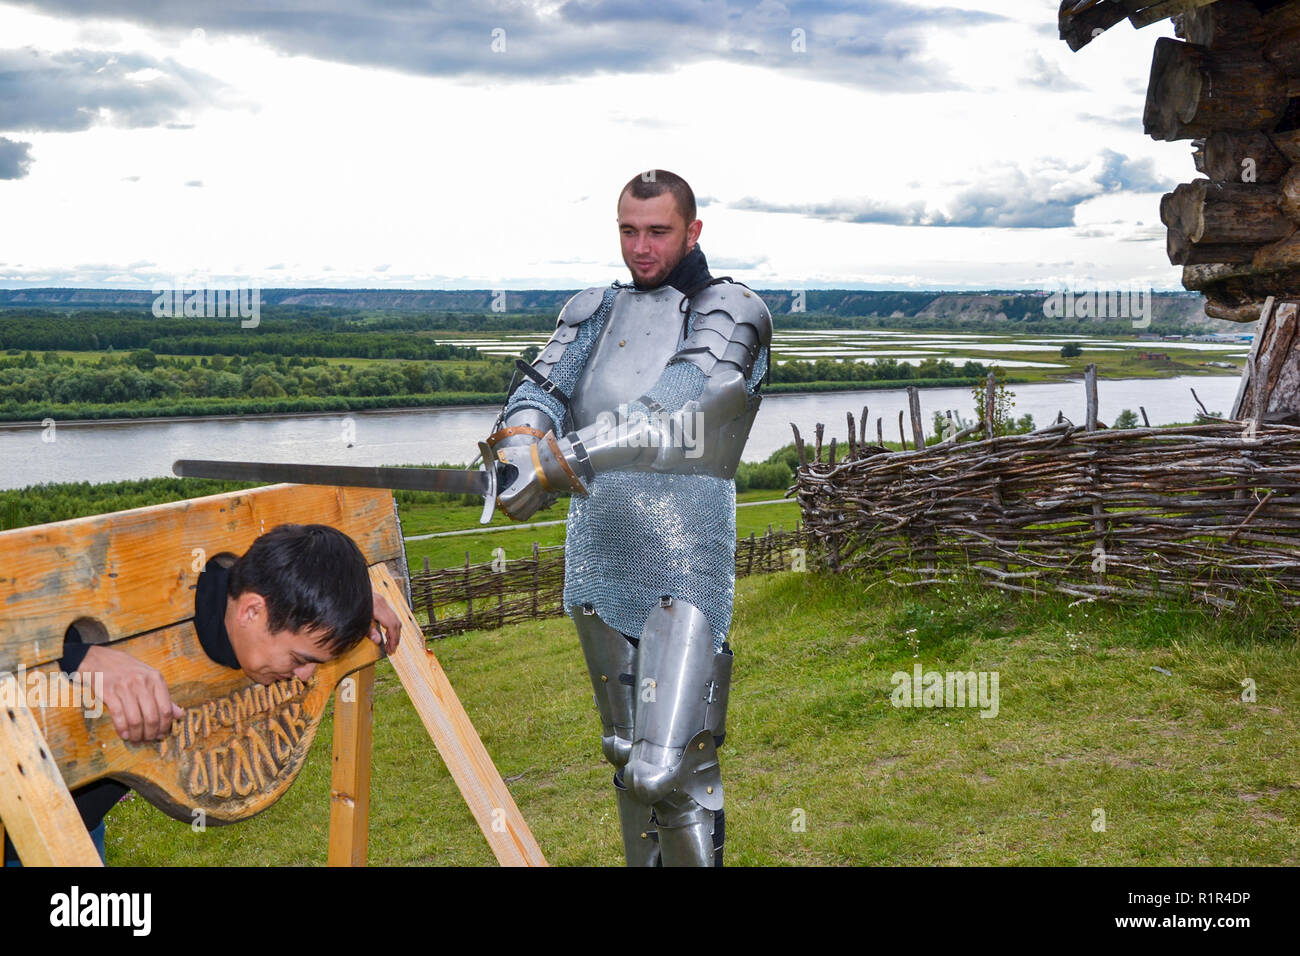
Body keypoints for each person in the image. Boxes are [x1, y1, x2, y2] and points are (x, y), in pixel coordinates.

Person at [486, 169, 772, 866]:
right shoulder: (594, 310)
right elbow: (542, 385)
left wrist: (569, 457)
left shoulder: (731, 310)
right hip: (600, 548)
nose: (641, 248)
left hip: (684, 556)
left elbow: (685, 398)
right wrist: (524, 444)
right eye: (628, 230)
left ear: (693, 230)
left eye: (658, 231)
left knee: (667, 765)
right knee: (624, 758)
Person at [2, 522, 402, 865]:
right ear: (251, 611)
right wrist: (77, 657)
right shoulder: (108, 589)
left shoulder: (270, 603)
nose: (304, 676)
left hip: (72, 828)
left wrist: (345, 601)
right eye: (300, 658)